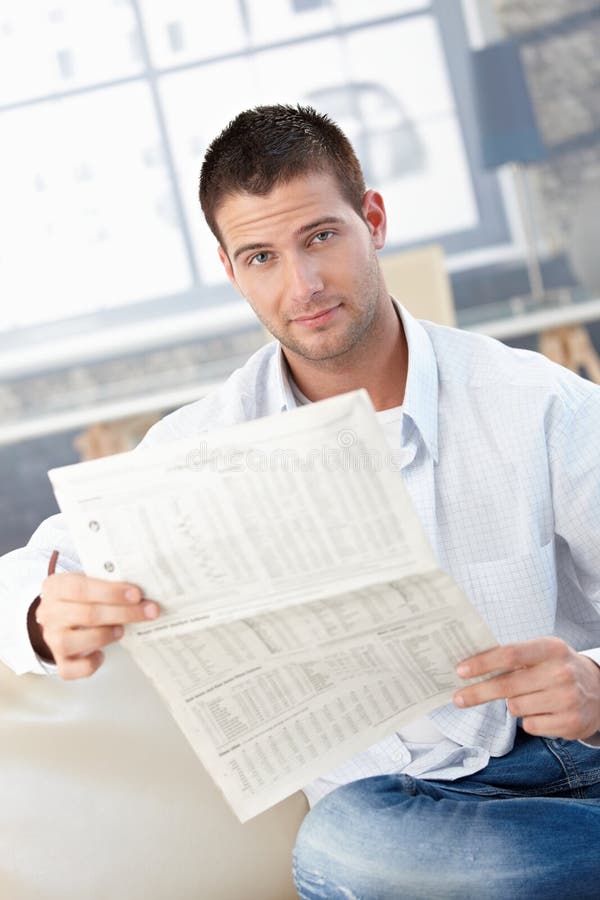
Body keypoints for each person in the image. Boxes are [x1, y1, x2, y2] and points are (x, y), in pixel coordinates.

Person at [2, 104, 600, 899]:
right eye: (260, 256)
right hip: (392, 817)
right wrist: (44, 616)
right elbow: (25, 575)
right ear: (230, 269)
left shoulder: (537, 402)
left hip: (568, 767)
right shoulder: (200, 445)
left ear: (373, 220)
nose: (302, 285)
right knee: (346, 852)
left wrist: (593, 682)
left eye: (321, 236)